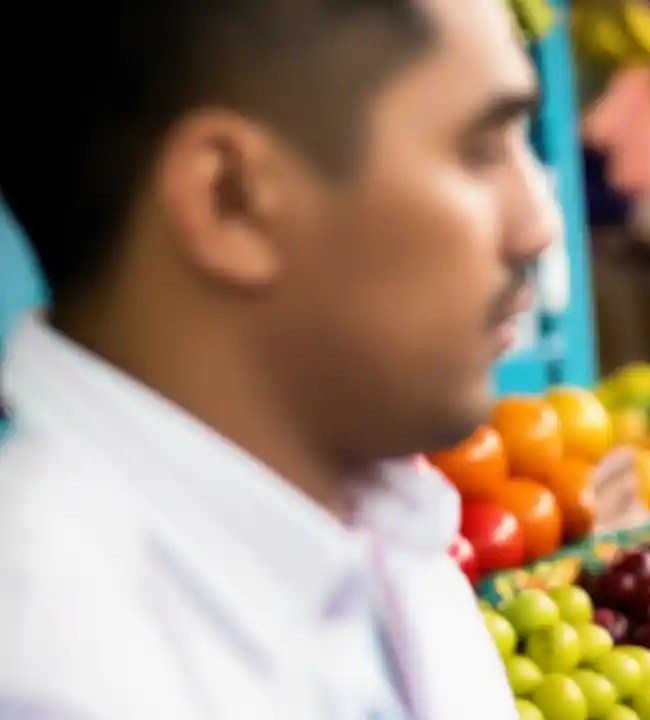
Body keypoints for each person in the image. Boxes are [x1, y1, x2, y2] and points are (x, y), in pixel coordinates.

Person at [0, 1, 557, 718]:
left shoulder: (389, 544)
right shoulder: (52, 674)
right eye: (480, 149)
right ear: (230, 199)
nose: (539, 224)